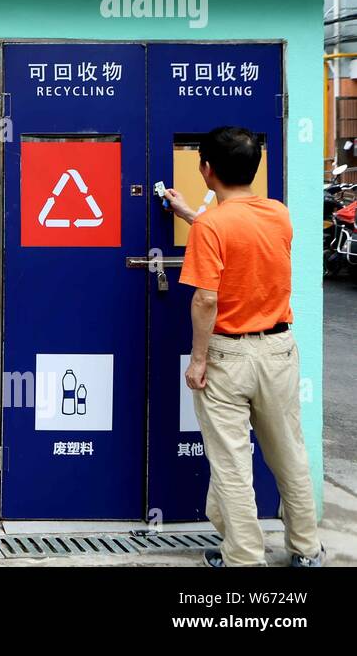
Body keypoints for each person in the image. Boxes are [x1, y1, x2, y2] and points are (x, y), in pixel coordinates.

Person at [164, 126, 323, 567]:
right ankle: (307, 551)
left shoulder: (212, 227)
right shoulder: (279, 214)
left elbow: (206, 297)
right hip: (278, 351)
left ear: (206, 170)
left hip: (227, 357)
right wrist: (192, 218)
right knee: (290, 454)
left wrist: (198, 361)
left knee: (233, 464)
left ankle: (244, 558)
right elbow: (245, 240)